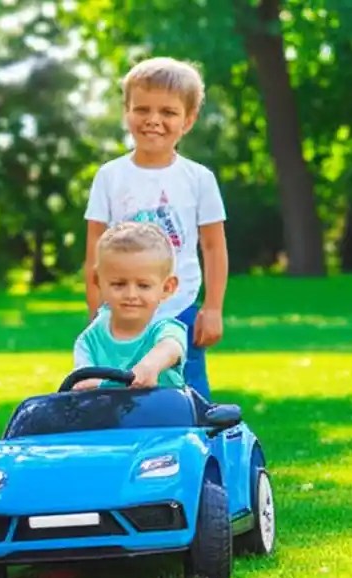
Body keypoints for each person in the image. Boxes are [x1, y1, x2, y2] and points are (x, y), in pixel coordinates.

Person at [83, 56, 227, 399]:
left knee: (190, 393)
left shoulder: (199, 179)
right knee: (118, 389)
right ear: (127, 112)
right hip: (120, 309)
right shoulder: (110, 176)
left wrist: (213, 308)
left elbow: (213, 247)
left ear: (188, 120)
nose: (153, 120)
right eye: (142, 109)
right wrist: (95, 309)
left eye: (168, 112)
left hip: (180, 306)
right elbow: (94, 247)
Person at [72, 222, 187, 390]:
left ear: (167, 287)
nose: (131, 295)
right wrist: (117, 384)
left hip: (163, 407)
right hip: (108, 408)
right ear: (98, 281)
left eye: (143, 286)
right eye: (119, 284)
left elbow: (171, 347)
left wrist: (150, 366)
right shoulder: (90, 339)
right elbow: (82, 384)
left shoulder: (165, 328)